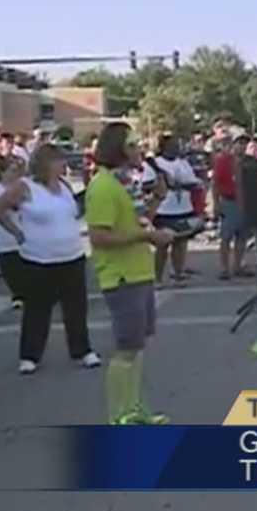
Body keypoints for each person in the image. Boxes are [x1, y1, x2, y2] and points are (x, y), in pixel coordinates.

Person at [85, 122, 174, 424]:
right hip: (121, 278)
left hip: (139, 273)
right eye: (134, 144)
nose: (141, 150)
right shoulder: (103, 187)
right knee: (126, 350)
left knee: (136, 348)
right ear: (119, 150)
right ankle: (118, 414)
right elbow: (98, 237)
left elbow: (139, 223)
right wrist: (147, 238)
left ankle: (134, 409)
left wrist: (158, 200)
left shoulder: (125, 183)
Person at [0, 143, 100, 375]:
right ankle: (30, 355)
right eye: (59, 160)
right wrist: (17, 232)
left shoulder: (65, 186)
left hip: (72, 255)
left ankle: (82, 350)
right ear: (46, 163)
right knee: (37, 308)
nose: (64, 165)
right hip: (39, 258)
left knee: (76, 307)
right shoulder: (25, 187)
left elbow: (72, 213)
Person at [146, 134, 202, 286]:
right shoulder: (154, 164)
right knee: (162, 246)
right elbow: (147, 184)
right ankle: (158, 278)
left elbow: (194, 182)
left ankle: (178, 274)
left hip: (183, 208)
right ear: (163, 147)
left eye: (177, 145)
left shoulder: (183, 163)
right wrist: (163, 183)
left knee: (180, 243)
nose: (177, 147)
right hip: (164, 210)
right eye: (173, 145)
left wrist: (180, 185)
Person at [0, 154, 27, 312]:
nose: (15, 174)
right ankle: (17, 295)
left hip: (19, 238)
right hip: (3, 237)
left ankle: (24, 293)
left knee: (22, 267)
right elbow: (14, 206)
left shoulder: (16, 188)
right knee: (10, 268)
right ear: (2, 173)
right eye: (12, 171)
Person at [212, 134, 251, 280]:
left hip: (245, 202)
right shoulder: (223, 160)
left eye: (244, 143)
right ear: (233, 144)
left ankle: (238, 265)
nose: (242, 146)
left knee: (242, 236)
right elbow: (215, 183)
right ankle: (224, 267)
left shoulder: (248, 162)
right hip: (229, 201)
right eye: (239, 143)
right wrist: (216, 203)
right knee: (226, 236)